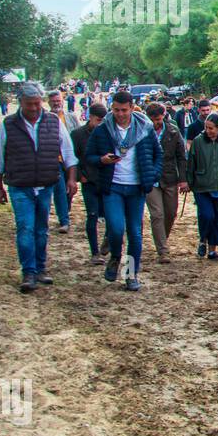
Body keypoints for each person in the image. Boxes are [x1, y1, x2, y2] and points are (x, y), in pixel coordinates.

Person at [0, 82, 79, 292]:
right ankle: (28, 271)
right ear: (20, 102)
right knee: (25, 227)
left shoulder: (53, 122)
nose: (34, 108)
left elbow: (68, 154)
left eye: (37, 103)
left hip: (46, 184)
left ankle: (40, 268)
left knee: (41, 229)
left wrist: (71, 178)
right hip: (20, 186)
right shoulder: (8, 124)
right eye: (29, 104)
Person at [86, 91, 162, 289]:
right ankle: (115, 257)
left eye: (124, 110)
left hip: (137, 186)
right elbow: (89, 155)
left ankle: (131, 274)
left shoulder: (145, 128)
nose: (120, 114)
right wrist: (101, 160)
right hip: (113, 186)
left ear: (131, 107)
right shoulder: (102, 129)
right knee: (116, 228)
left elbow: (158, 154)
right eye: (116, 110)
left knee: (135, 233)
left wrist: (152, 174)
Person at [186, 114, 218, 260]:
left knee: (217, 218)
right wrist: (188, 182)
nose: (207, 131)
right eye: (206, 127)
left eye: (211, 128)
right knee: (207, 215)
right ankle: (203, 239)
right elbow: (191, 163)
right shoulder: (197, 141)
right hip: (202, 186)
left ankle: (212, 250)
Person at [145, 102, 187, 261]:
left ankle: (162, 238)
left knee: (170, 213)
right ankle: (162, 250)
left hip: (169, 177)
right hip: (151, 179)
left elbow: (181, 157)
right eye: (153, 119)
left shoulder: (173, 131)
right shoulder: (142, 132)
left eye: (159, 118)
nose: (156, 122)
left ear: (164, 116)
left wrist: (183, 179)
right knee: (157, 214)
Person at [71, 102, 108, 263]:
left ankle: (108, 242)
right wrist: (80, 176)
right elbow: (72, 158)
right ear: (90, 117)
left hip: (107, 181)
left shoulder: (109, 133)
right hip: (89, 181)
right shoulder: (77, 134)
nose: (101, 123)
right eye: (98, 120)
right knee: (92, 215)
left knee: (111, 216)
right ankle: (94, 252)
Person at [45, 90, 78, 234]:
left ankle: (65, 213)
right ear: (48, 102)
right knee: (58, 190)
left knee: (69, 190)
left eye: (58, 101)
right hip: (54, 161)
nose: (56, 103)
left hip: (70, 159)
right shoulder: (46, 118)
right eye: (53, 101)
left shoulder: (71, 117)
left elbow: (77, 135)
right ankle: (63, 220)